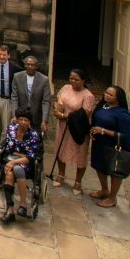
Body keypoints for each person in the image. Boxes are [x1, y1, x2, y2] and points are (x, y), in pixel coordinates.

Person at [89, 85, 130, 208]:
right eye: (106, 93)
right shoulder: (103, 106)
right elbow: (96, 122)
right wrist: (93, 130)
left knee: (115, 171)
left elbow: (125, 135)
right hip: (100, 144)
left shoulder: (123, 115)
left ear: (118, 98)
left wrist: (103, 131)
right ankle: (104, 190)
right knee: (99, 166)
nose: (106, 95)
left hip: (114, 146)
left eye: (110, 94)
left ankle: (112, 198)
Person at [52, 67, 96, 195]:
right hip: (62, 125)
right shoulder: (65, 88)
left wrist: (65, 116)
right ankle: (61, 174)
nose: (73, 81)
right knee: (61, 149)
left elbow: (84, 114)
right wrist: (57, 110)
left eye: (76, 79)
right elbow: (58, 100)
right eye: (71, 78)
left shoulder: (88, 96)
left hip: (77, 128)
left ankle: (78, 182)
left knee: (79, 154)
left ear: (83, 81)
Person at [0, 108, 42, 225]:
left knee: (15, 169)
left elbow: (30, 158)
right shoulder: (11, 129)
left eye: (26, 120)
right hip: (10, 160)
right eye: (20, 119)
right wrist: (18, 156)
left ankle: (22, 204)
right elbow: (8, 149)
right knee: (11, 173)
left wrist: (15, 160)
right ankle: (12, 209)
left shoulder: (34, 135)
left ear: (29, 122)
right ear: (16, 120)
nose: (23, 122)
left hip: (27, 166)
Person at [11, 55, 51, 136]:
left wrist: (44, 120)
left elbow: (46, 101)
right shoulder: (17, 77)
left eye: (32, 65)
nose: (30, 66)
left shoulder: (44, 80)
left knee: (35, 141)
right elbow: (14, 97)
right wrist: (14, 115)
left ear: (36, 67)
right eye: (28, 64)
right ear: (25, 65)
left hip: (36, 118)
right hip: (21, 117)